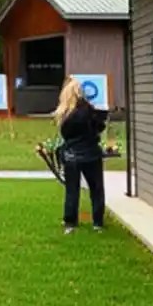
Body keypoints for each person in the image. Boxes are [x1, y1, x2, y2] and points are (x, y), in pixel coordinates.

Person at [54, 77, 106, 234]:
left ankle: (70, 222)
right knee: (96, 189)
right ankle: (97, 222)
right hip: (90, 154)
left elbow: (65, 135)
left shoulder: (64, 113)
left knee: (72, 190)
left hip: (71, 156)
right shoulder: (88, 110)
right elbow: (100, 126)